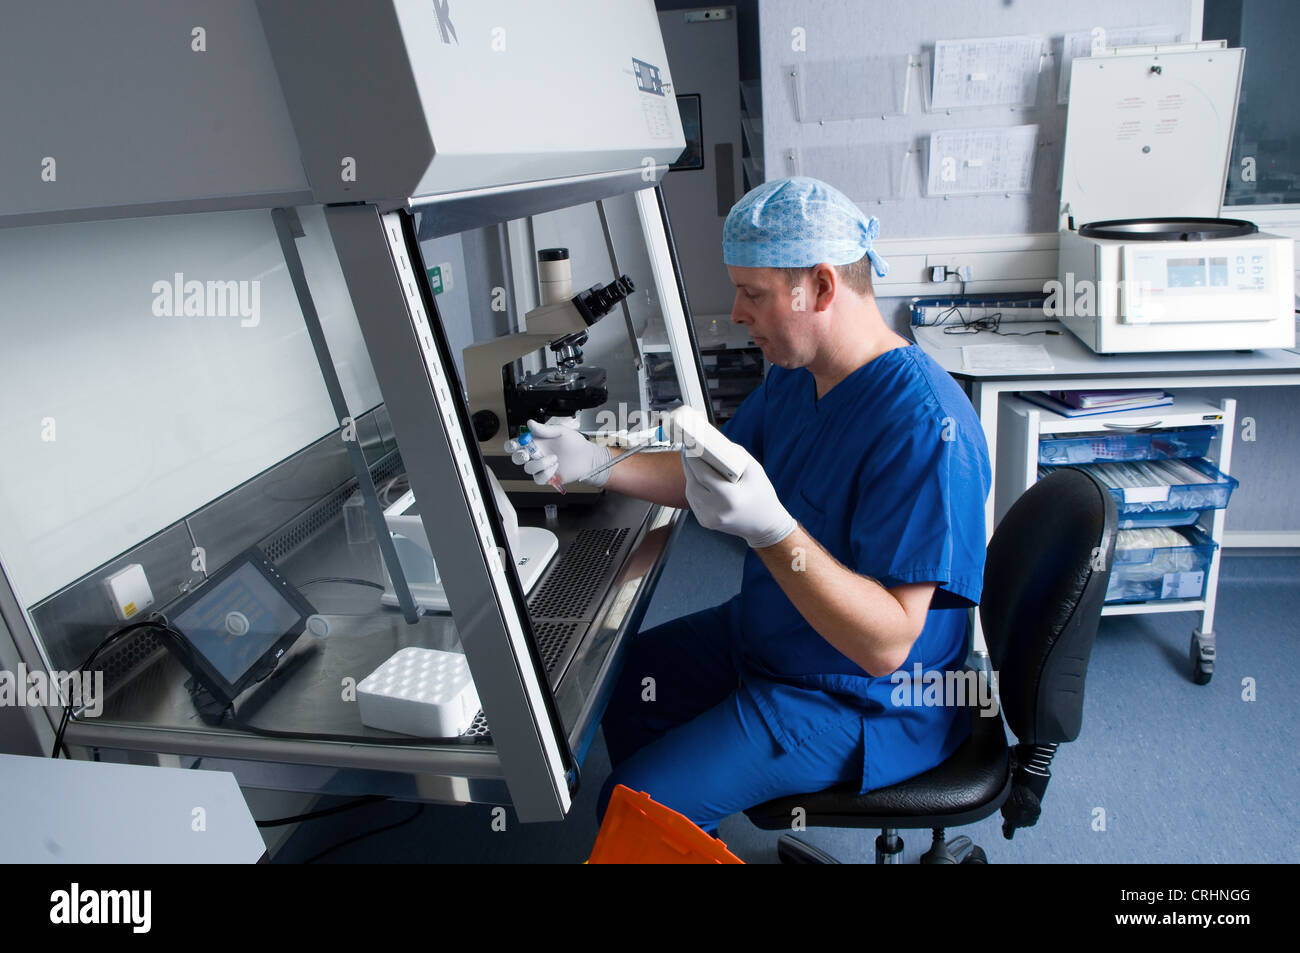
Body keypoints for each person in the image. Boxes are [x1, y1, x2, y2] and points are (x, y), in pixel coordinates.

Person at [518, 176, 991, 836]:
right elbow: (708, 475)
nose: (737, 313)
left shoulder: (925, 429)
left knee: (632, 808)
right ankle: (689, 828)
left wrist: (774, 532)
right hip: (775, 632)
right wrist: (597, 459)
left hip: (859, 695)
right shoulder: (799, 377)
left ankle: (666, 827)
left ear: (822, 287)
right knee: (617, 691)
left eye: (753, 293)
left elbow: (886, 643)